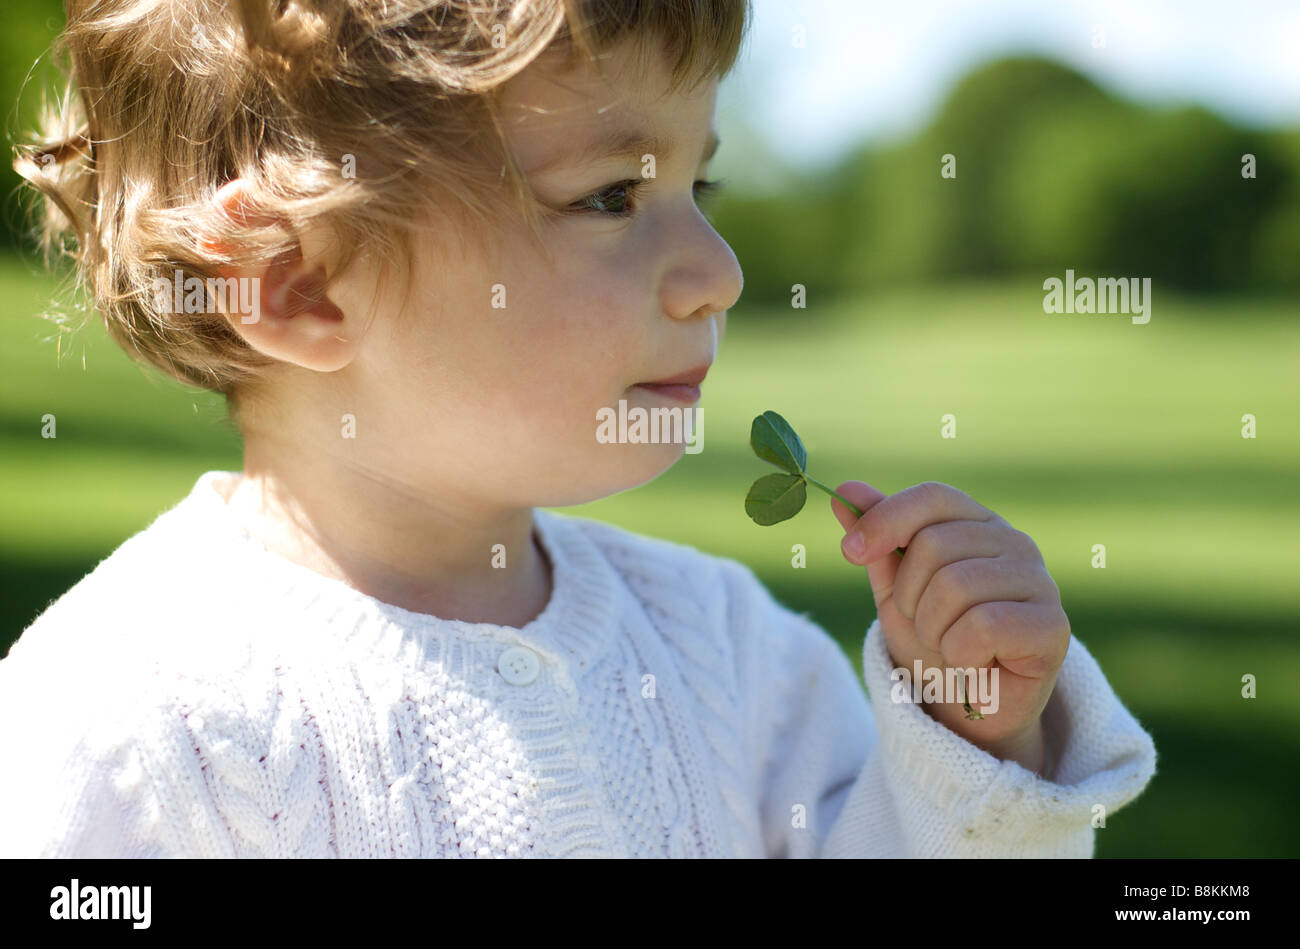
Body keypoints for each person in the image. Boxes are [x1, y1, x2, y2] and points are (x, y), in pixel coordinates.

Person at [0, 0, 1155, 858]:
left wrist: (970, 754)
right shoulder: (120, 716)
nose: (718, 273)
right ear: (297, 282)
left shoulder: (732, 657)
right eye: (610, 197)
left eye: (699, 191)